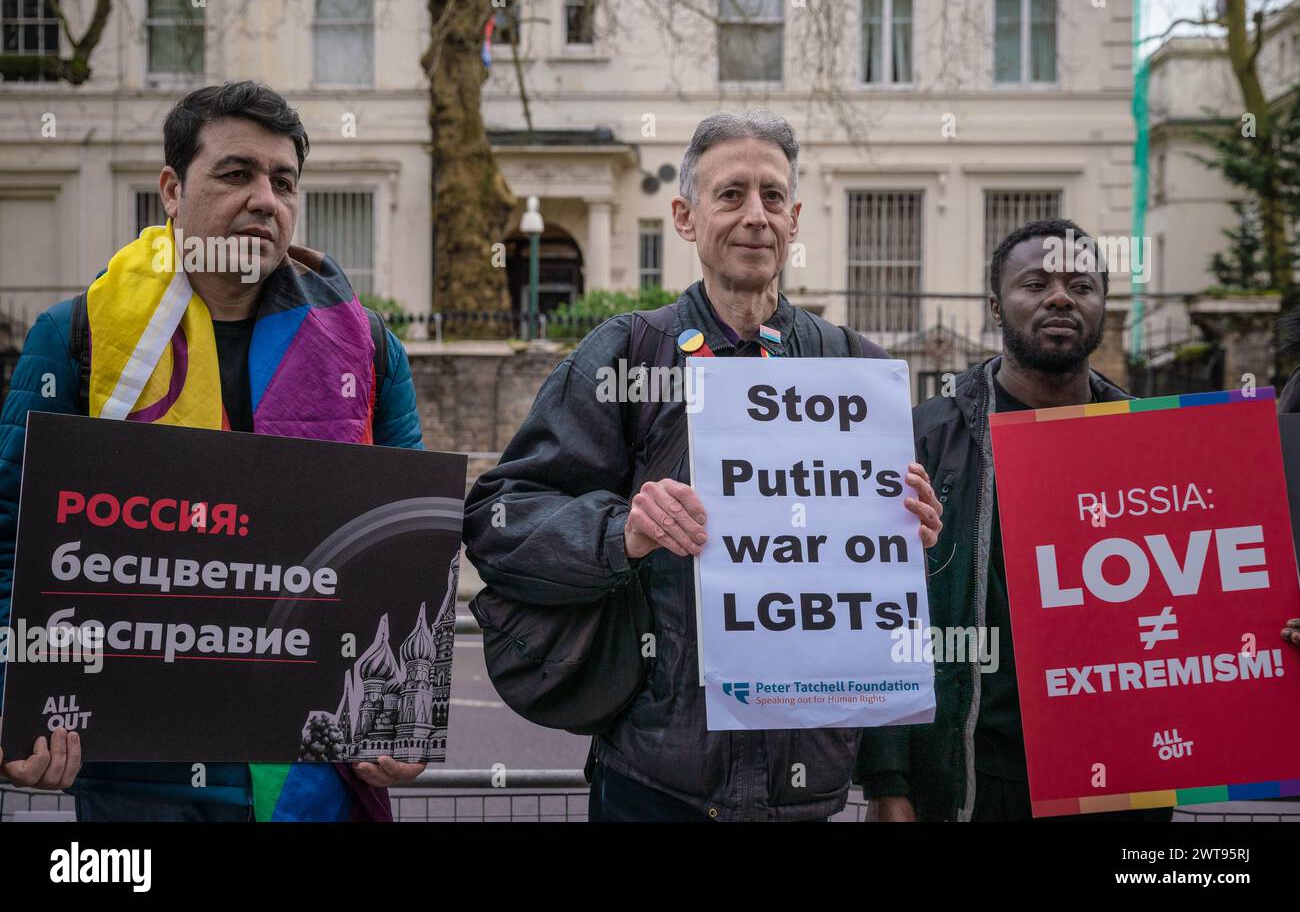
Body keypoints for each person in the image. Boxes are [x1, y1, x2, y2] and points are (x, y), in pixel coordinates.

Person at [464, 110, 944, 821]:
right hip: (653, 780)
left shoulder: (855, 369)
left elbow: (887, 603)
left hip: (806, 789)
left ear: (796, 218)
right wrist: (622, 529)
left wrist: (913, 534)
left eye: (773, 197)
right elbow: (498, 517)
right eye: (731, 194)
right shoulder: (628, 354)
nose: (756, 215)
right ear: (685, 218)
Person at [0, 81, 425, 821]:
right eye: (236, 173)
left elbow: (407, 549)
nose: (266, 198)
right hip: (138, 776)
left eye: (283, 180)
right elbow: (10, 539)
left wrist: (406, 722)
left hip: (316, 780)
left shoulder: (373, 348)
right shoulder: (75, 338)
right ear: (171, 189)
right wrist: (17, 701)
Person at [855, 218, 1174, 822]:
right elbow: (882, 607)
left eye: (1081, 285)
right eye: (1036, 283)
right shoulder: (921, 436)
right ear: (996, 307)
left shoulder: (1155, 442)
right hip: (973, 771)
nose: (1060, 297)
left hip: (1119, 774)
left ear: (1103, 308)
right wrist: (885, 777)